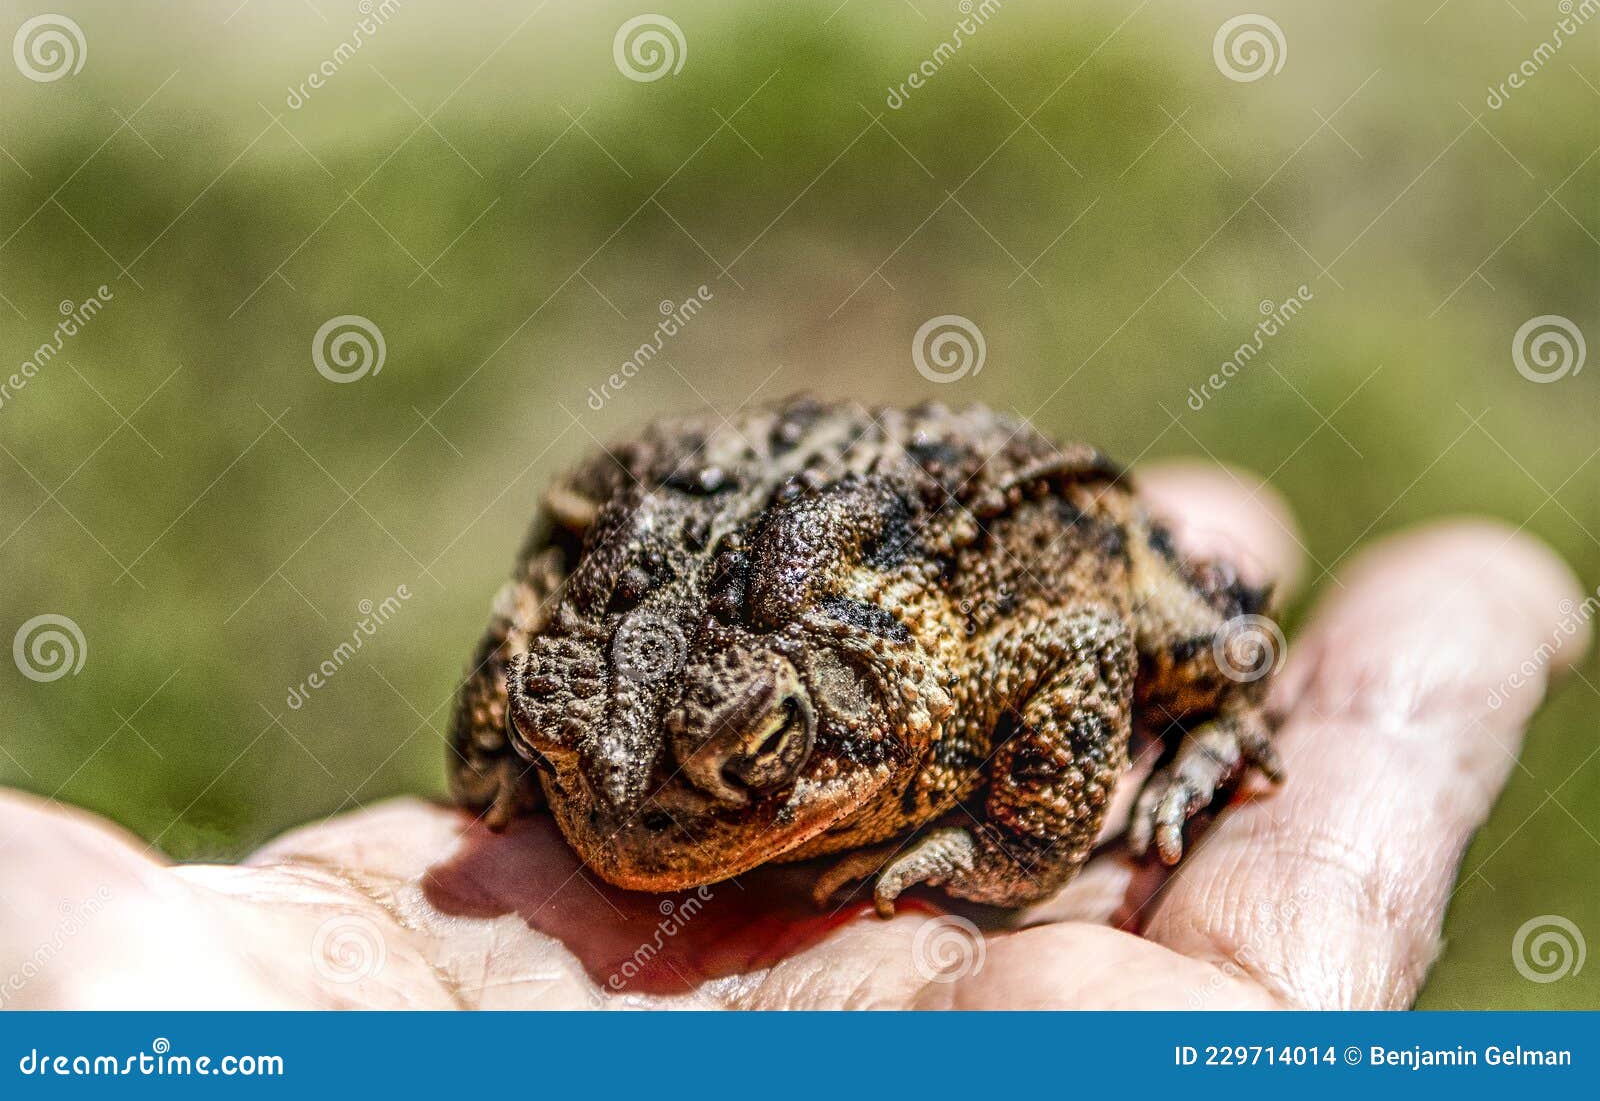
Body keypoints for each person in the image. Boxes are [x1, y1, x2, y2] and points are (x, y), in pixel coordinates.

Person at [0, 463, 1587, 1009]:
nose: (627, 833)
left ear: (812, 721)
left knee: (1214, 647)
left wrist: (992, 839)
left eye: (740, 765)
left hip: (995, 518)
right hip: (704, 526)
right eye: (575, 763)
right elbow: (542, 612)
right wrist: (513, 758)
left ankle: (1226, 722)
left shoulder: (917, 670)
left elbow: (1081, 633)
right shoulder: (602, 678)